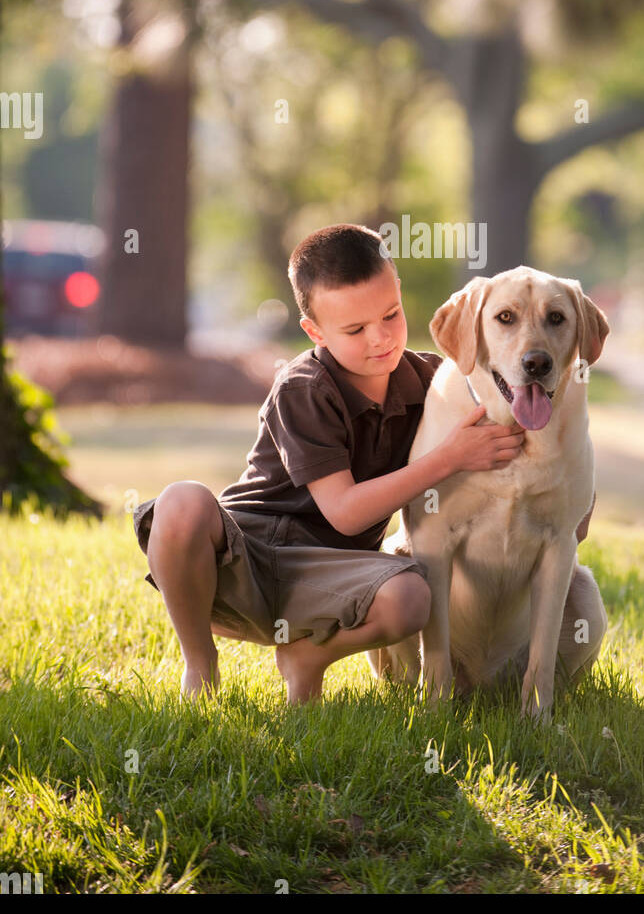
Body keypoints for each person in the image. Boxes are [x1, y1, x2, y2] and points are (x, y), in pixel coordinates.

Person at [131, 223, 525, 703]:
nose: (380, 338)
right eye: (355, 329)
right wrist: (449, 458)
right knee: (182, 501)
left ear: (399, 293)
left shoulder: (432, 383)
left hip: (331, 577)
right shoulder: (303, 387)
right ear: (314, 331)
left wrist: (571, 504)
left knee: (411, 597)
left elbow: (505, 429)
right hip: (240, 565)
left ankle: (307, 657)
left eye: (391, 315)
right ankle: (200, 665)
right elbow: (345, 511)